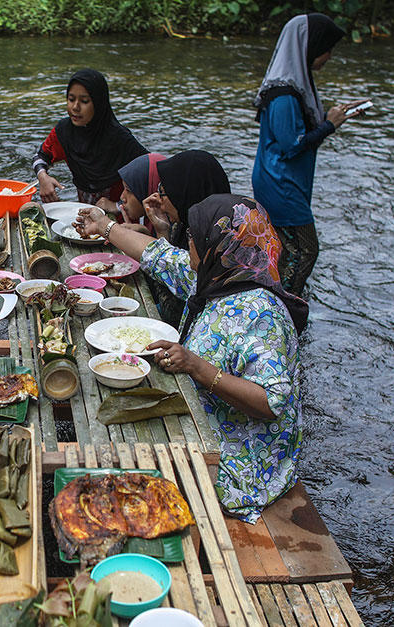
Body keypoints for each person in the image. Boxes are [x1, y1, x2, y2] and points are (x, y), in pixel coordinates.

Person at [81, 193, 309, 523]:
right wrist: (104, 226)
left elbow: (270, 402)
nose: (187, 240)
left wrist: (197, 367)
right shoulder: (215, 276)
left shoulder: (261, 313)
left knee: (129, 461)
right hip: (203, 411)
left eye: (193, 235)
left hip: (242, 452)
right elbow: (157, 255)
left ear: (217, 243)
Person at [252, 13, 369, 296]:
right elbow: (291, 145)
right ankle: (284, 304)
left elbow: (299, 132)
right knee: (305, 250)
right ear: (310, 47)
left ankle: (273, 297)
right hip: (280, 183)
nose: (328, 56)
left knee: (284, 250)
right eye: (326, 49)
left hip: (283, 179)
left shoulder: (296, 85)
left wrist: (335, 117)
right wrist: (330, 125)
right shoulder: (284, 94)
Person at [77, 150, 231, 327]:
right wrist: (162, 233)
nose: (159, 201)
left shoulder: (210, 255)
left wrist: (104, 226)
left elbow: (170, 310)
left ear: (183, 194)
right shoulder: (189, 228)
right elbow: (164, 258)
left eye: (164, 192)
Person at [33, 69, 147, 205]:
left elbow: (152, 176)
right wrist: (43, 177)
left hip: (122, 216)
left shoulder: (119, 138)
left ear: (99, 103)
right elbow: (40, 157)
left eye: (84, 101)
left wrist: (117, 205)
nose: (75, 107)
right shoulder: (64, 132)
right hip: (83, 211)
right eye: (71, 99)